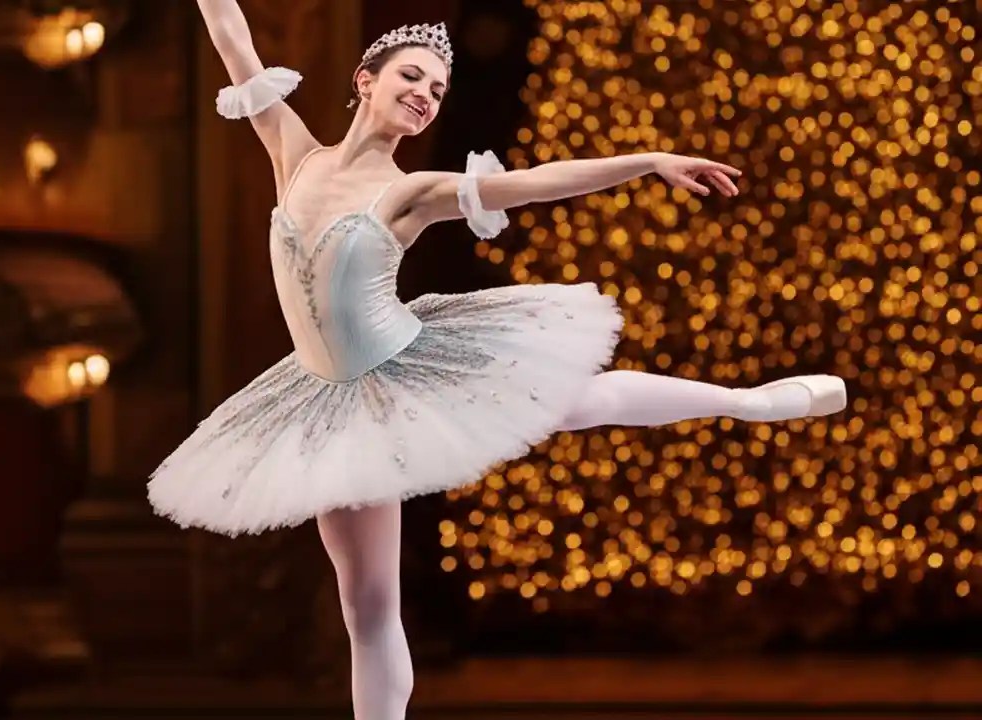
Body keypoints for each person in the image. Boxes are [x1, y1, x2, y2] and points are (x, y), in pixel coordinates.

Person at [149, 4, 847, 718]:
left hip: (408, 367)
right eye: (412, 77)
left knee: (584, 402)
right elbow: (233, 37)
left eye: (438, 90)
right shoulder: (292, 152)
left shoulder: (411, 193)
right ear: (365, 80)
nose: (425, 93)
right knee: (366, 604)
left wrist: (649, 162)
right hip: (327, 398)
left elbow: (540, 181)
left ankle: (749, 401)